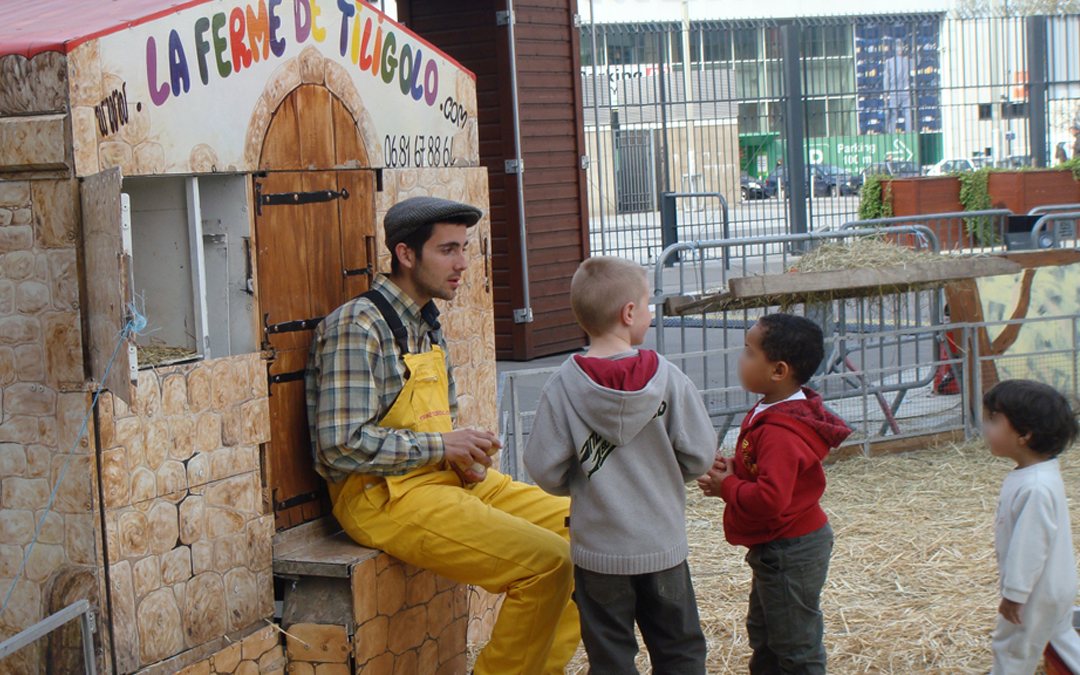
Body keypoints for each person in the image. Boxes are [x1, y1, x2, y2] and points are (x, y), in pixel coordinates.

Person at [305, 196, 580, 675]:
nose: (462, 265)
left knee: (589, 529)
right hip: (380, 496)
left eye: (465, 249)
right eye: (448, 250)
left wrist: (465, 454)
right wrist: (441, 446)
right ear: (406, 255)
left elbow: (437, 426)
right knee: (550, 562)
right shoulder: (358, 326)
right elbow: (338, 446)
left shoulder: (427, 325)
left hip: (438, 480)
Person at [524, 256, 716, 674]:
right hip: (661, 544)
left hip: (598, 555)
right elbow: (701, 453)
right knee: (680, 651)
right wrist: (667, 475)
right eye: (648, 303)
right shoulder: (668, 378)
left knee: (610, 657)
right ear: (629, 313)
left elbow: (542, 467)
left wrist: (579, 483)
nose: (650, 311)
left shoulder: (562, 386)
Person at [697, 314, 851, 675]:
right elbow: (767, 468)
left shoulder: (780, 430)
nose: (741, 359)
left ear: (779, 370)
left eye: (749, 353)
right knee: (767, 632)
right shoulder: (778, 407)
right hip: (782, 546)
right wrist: (736, 468)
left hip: (789, 548)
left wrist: (727, 487)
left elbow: (770, 499)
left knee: (795, 646)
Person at [982, 379, 1080, 675]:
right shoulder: (1037, 474)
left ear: (1025, 434)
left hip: (1036, 590)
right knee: (1060, 638)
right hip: (1052, 585)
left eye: (993, 420)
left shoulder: (1035, 486)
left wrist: (1014, 593)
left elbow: (1031, 544)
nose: (985, 427)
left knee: (1012, 647)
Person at [883, 39, 914, 134]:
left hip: (893, 91)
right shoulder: (908, 61)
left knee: (893, 115)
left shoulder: (889, 62)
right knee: (907, 114)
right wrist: (915, 51)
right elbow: (917, 62)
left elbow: (886, 79)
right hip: (905, 90)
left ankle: (891, 134)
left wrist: (885, 94)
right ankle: (909, 134)